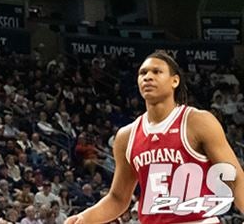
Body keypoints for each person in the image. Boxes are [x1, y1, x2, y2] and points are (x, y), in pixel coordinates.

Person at [65, 51, 244, 224]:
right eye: (143, 73)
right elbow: (118, 198)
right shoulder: (126, 136)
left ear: (175, 81)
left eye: (157, 72)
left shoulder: (197, 121)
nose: (148, 77)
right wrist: (83, 218)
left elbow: (235, 179)